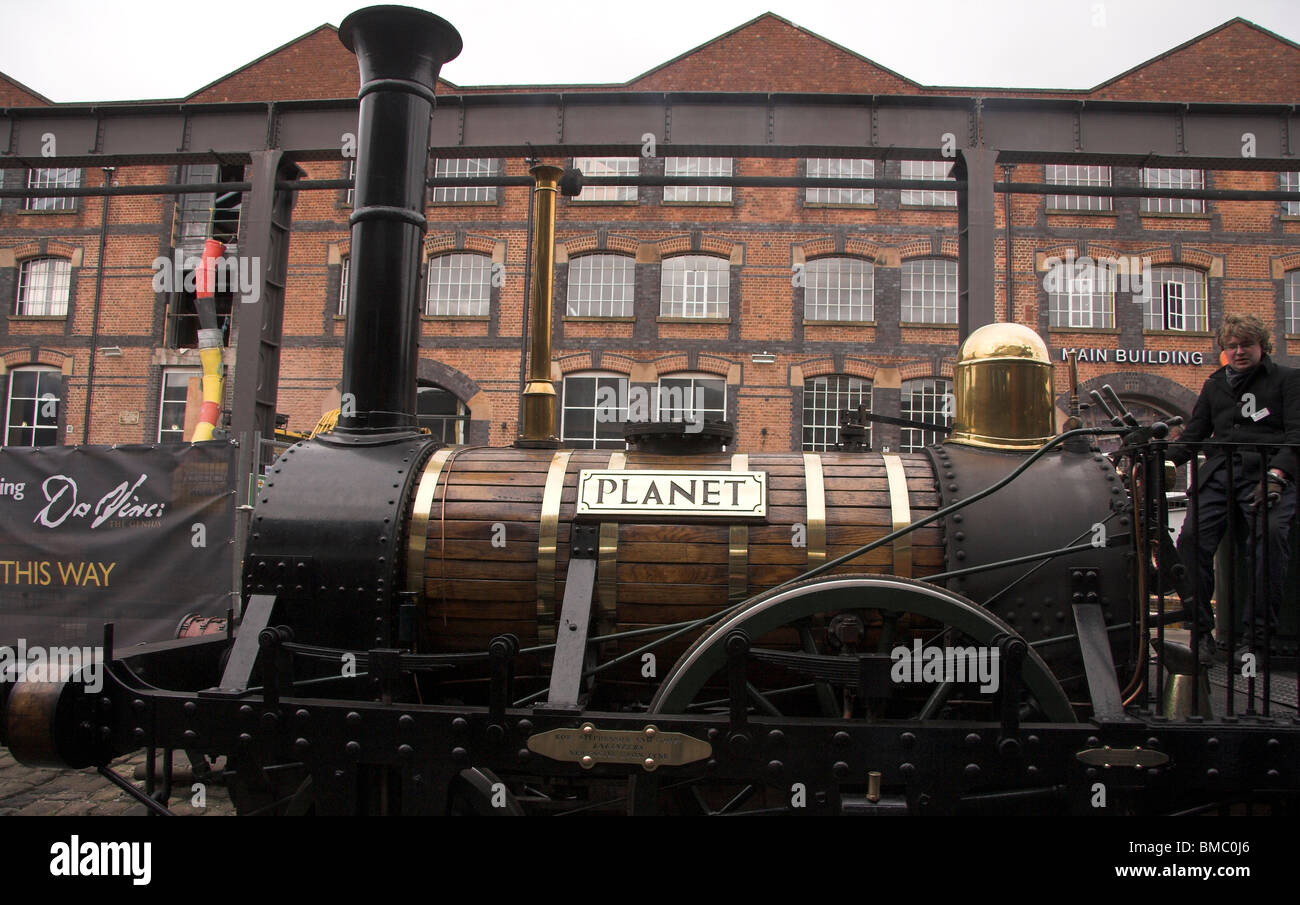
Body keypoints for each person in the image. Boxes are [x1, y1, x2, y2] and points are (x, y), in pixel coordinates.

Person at [1169, 315, 1299, 664]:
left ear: (1262, 347)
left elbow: (1296, 436)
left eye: (1245, 345)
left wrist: (1276, 475)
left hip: (1267, 476)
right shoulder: (1214, 386)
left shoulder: (1288, 380)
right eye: (1231, 346)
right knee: (1191, 540)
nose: (1238, 352)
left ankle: (1256, 638)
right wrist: (1157, 461)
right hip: (1219, 476)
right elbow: (1194, 435)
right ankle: (1200, 633)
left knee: (1270, 537)